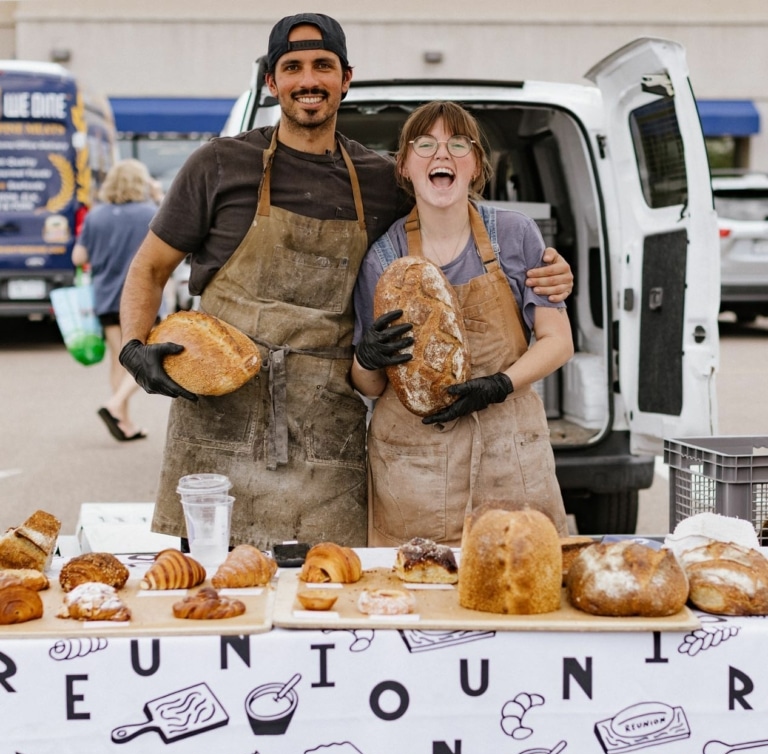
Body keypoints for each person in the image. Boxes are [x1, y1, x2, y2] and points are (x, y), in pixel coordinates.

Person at [117, 13, 573, 550]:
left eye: (323, 66)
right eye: (293, 67)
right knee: (217, 587)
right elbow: (149, 268)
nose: (308, 80)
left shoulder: (381, 180)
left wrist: (554, 272)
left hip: (325, 437)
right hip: (219, 427)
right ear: (272, 82)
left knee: (326, 593)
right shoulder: (218, 165)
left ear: (345, 79)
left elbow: (447, 214)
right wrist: (133, 345)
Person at [351, 101, 573, 546]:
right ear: (404, 166)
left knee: (523, 581)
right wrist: (367, 357)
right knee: (416, 595)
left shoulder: (516, 234)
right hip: (415, 469)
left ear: (476, 166)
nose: (442, 155)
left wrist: (500, 384)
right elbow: (371, 386)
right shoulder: (381, 257)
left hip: (510, 454)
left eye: (458, 144)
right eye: (425, 144)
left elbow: (556, 340)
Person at [72, 159, 158, 442]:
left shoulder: (96, 216)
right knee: (146, 357)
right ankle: (115, 406)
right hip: (142, 298)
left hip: (107, 298)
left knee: (119, 359)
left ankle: (123, 421)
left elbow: (78, 258)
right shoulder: (150, 213)